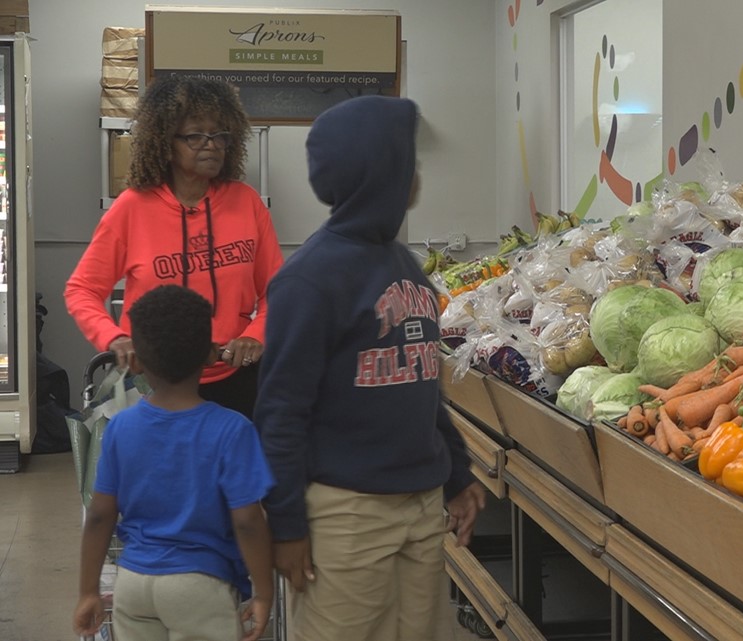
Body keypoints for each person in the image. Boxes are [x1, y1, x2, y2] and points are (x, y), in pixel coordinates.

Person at [255, 95, 485, 641]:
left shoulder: (402, 263)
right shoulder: (309, 279)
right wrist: (285, 526)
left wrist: (456, 474)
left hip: (420, 504)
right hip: (346, 513)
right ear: (380, 170)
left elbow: (423, 384)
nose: (419, 173)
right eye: (409, 159)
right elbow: (280, 415)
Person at [65, 75, 284, 419]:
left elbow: (278, 292)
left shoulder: (247, 203)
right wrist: (115, 338)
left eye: (219, 134)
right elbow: (82, 290)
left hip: (237, 381)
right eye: (196, 134)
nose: (211, 145)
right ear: (164, 141)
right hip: (156, 385)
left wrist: (256, 335)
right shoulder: (131, 208)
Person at [72, 285, 275, 641]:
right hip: (203, 585)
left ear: (135, 361)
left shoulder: (121, 427)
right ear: (211, 355)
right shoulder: (233, 430)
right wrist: (263, 591)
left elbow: (101, 515)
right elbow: (247, 520)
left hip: (134, 583)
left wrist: (89, 591)